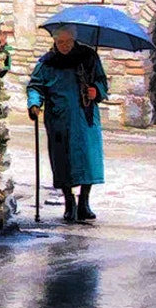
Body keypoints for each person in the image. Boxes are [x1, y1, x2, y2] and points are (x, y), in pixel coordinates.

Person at [27, 25, 109, 222]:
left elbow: (102, 81)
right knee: (62, 159)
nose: (64, 46)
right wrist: (34, 104)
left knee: (88, 159)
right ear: (55, 42)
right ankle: (69, 202)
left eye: (68, 42)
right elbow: (35, 86)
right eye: (60, 42)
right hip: (59, 119)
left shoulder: (88, 57)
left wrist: (96, 91)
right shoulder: (47, 63)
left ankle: (84, 202)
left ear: (74, 40)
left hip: (85, 116)